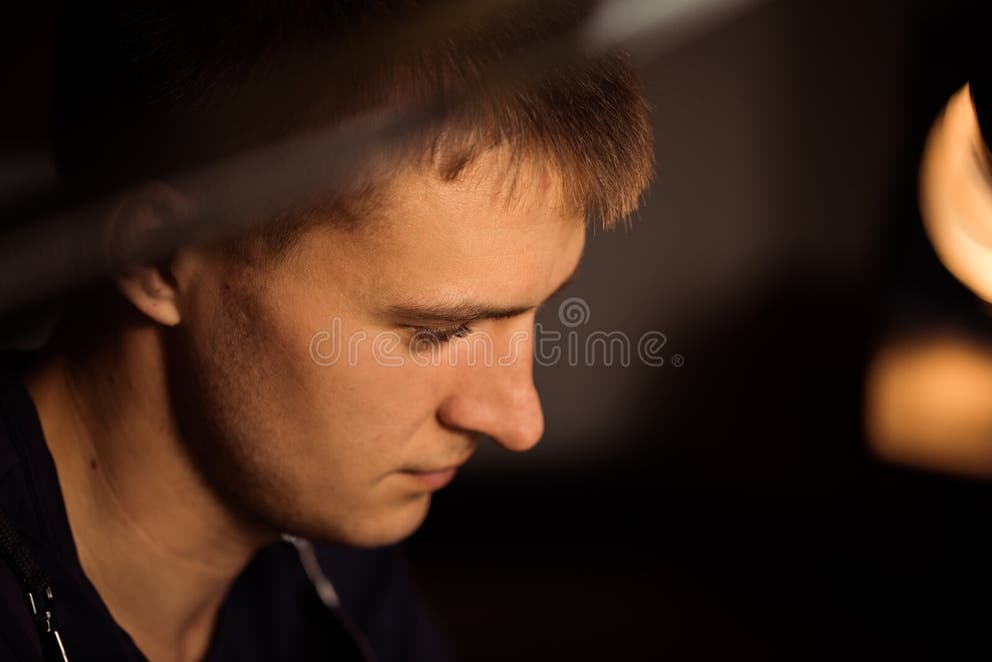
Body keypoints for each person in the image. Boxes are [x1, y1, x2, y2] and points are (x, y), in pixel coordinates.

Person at [0, 1, 654, 660]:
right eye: (439, 331)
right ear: (158, 256)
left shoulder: (331, 557)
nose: (519, 422)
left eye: (537, 311)